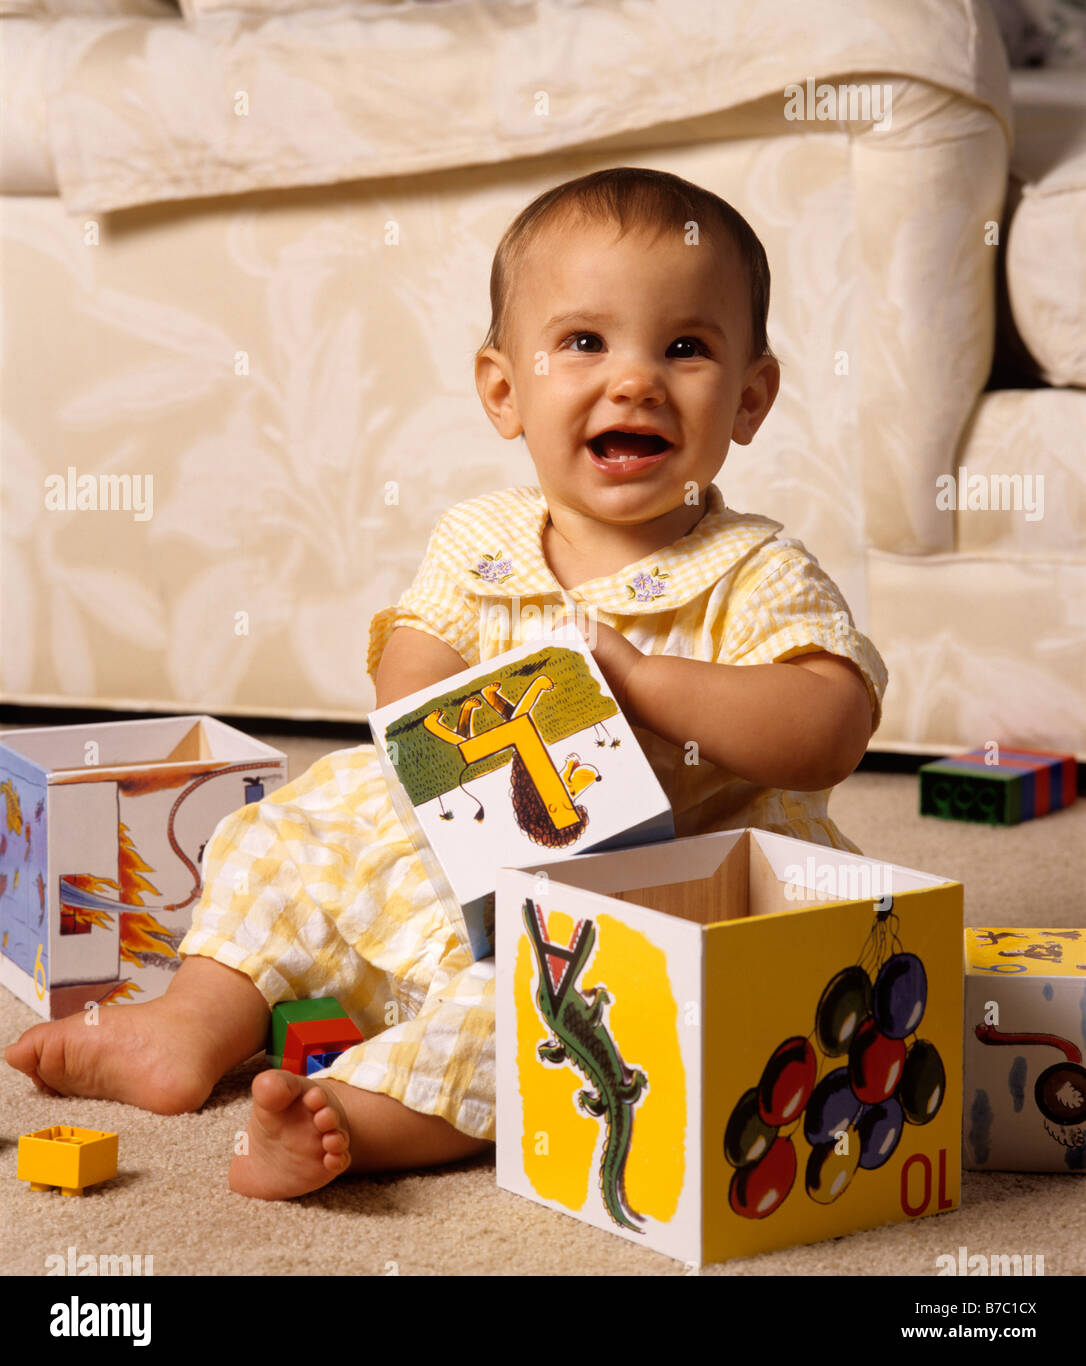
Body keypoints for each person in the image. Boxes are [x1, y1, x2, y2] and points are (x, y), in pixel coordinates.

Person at [5, 166, 886, 1200]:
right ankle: (196, 1018)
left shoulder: (757, 567)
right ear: (505, 392)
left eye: (685, 348)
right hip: (465, 857)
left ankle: (360, 1120)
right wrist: (454, 706)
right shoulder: (483, 539)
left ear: (749, 397)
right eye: (586, 342)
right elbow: (406, 673)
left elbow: (828, 723)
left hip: (652, 896)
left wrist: (644, 682)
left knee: (553, 1016)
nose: (636, 379)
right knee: (303, 826)